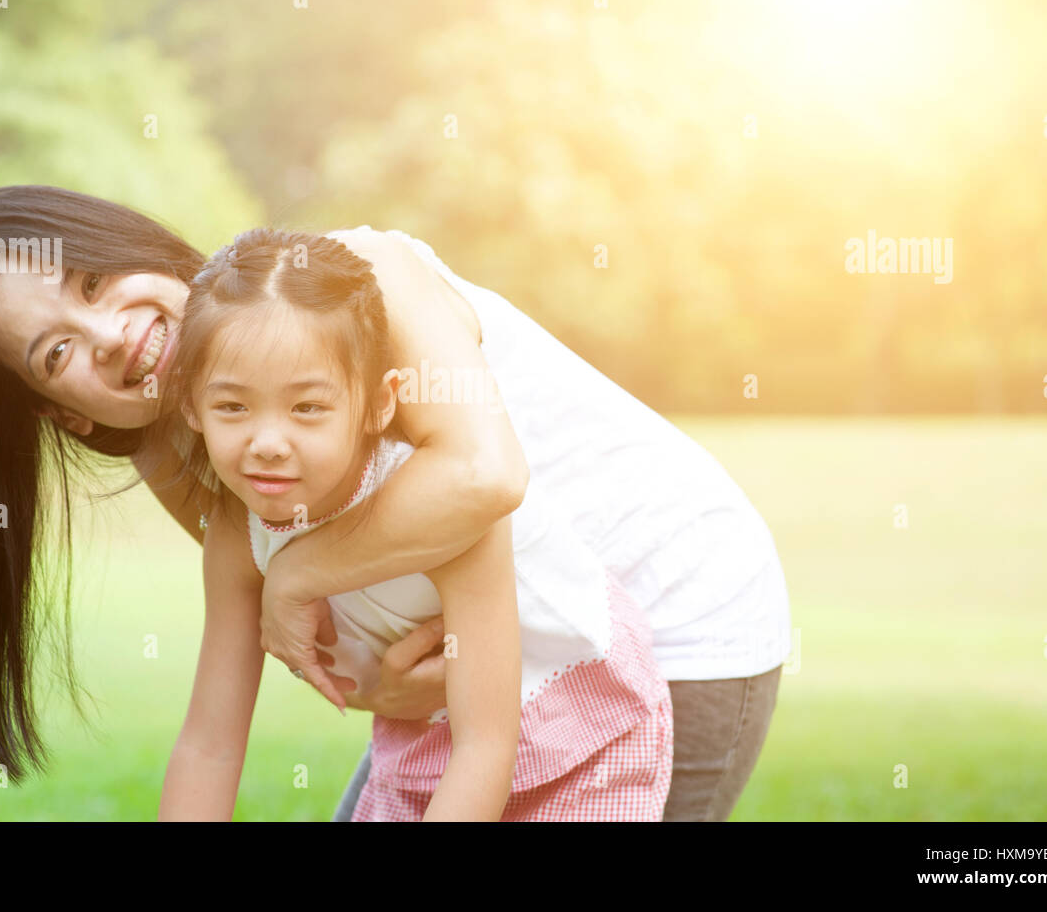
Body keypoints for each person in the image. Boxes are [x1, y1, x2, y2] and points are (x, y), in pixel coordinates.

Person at [0, 185, 788, 820]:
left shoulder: (354, 281)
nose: (112, 334)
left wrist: (297, 578)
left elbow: (482, 480)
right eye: (56, 354)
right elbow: (320, 657)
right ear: (64, 413)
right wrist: (368, 677)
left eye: (92, 284)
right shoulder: (209, 457)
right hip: (481, 690)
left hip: (667, 630)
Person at [158, 229, 672, 820]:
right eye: (232, 407)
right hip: (426, 747)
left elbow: (487, 746)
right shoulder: (234, 530)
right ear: (192, 406)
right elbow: (210, 746)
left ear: (380, 403)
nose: (268, 443)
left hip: (583, 737)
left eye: (307, 407)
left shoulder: (449, 509)